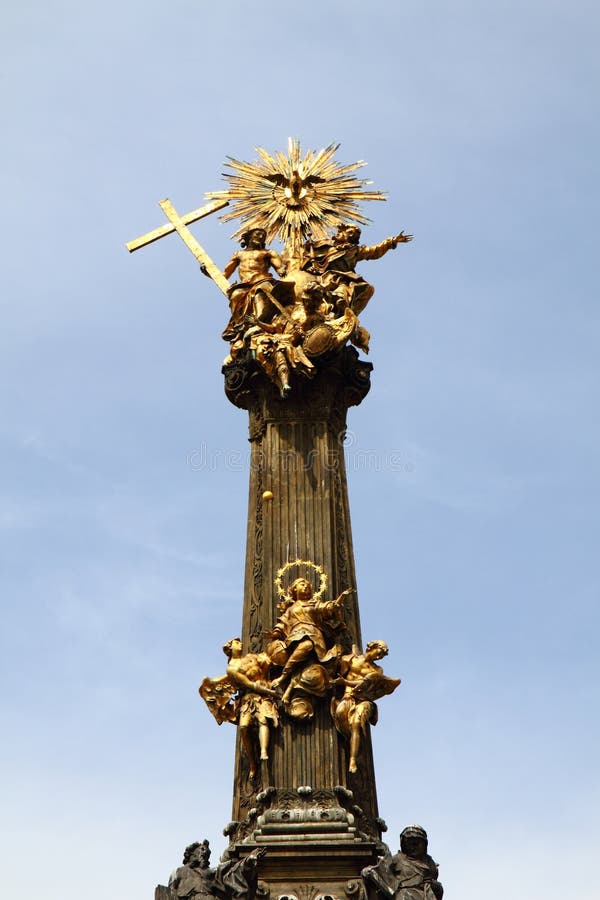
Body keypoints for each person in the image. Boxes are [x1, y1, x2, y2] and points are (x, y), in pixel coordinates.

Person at [199, 639, 279, 779]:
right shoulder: (232, 669)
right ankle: (253, 763)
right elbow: (249, 684)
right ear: (230, 648)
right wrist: (271, 693)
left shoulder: (249, 658)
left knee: (262, 720)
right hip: (248, 698)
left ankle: (263, 752)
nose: (241, 644)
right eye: (237, 643)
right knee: (243, 727)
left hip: (261, 697)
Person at [303, 224, 412, 315]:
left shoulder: (355, 251)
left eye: (353, 234)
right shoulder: (326, 244)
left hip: (342, 276)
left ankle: (341, 303)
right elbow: (307, 253)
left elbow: (374, 251)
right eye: (349, 232)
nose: (350, 235)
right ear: (342, 231)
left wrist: (391, 241)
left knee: (357, 287)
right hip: (324, 273)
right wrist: (307, 251)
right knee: (339, 283)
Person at [269, 578, 351, 692]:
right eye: (302, 584)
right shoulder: (290, 609)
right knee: (304, 647)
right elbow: (283, 623)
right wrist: (275, 633)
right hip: (294, 636)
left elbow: (329, 608)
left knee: (307, 646)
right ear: (294, 589)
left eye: (307, 585)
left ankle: (284, 677)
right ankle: (286, 677)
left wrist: (341, 598)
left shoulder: (314, 604)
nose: (306, 586)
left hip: (313, 635)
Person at [331, 640, 400, 773]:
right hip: (348, 697)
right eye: (379, 653)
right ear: (371, 647)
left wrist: (345, 682)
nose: (379, 657)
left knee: (356, 722)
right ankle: (352, 743)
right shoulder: (351, 659)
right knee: (340, 713)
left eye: (382, 656)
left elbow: (367, 683)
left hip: (364, 701)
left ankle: (352, 760)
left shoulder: (377, 670)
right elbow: (338, 672)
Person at [221, 228, 294, 346]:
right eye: (257, 234)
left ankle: (260, 321)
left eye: (263, 236)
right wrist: (209, 273)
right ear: (249, 237)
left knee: (262, 291)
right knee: (235, 295)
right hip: (244, 284)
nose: (260, 237)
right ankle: (240, 325)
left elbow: (279, 268)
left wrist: (283, 269)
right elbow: (226, 273)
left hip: (262, 280)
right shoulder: (239, 254)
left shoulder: (268, 253)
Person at [362, 825, 443, 900]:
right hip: (404, 896)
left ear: (424, 845)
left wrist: (435, 886)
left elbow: (437, 890)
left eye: (416, 844)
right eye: (409, 844)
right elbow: (384, 872)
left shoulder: (430, 863)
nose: (412, 847)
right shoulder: (398, 859)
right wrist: (370, 871)